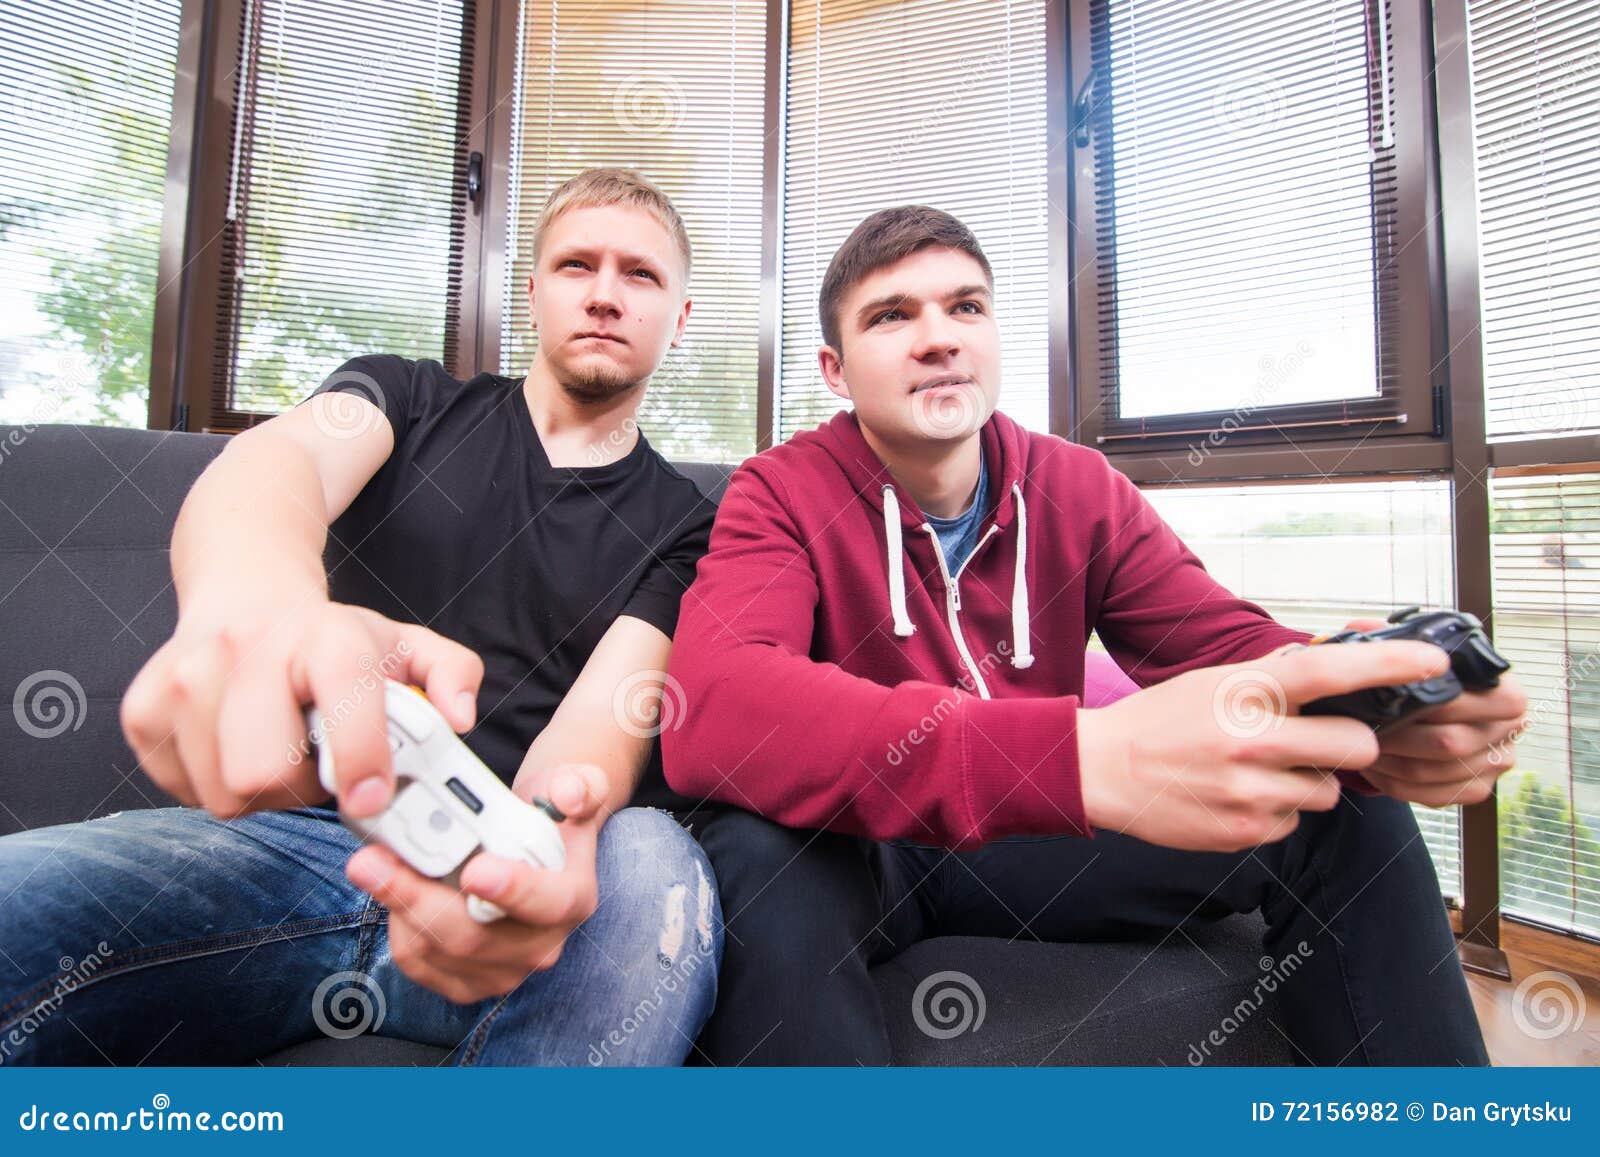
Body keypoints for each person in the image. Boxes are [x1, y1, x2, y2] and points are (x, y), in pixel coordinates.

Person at [662, 205, 1529, 1066]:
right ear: (836, 369)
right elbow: (719, 702)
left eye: (966, 307)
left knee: (1345, 806)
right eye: (892, 316)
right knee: (757, 848)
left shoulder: (1077, 486)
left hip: (1036, 840)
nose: (939, 338)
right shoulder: (776, 490)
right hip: (870, 848)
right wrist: (1076, 752)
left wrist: (1366, 699)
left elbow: (1222, 641)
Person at [0, 169, 722, 1066]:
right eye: (578, 265)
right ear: (532, 292)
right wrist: (258, 608)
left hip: (508, 881)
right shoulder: (407, 399)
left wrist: (519, 863)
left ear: (680, 316)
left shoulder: (689, 525)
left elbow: (597, 732)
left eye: (641, 276)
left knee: (654, 860)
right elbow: (280, 465)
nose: (606, 295)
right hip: (292, 849)